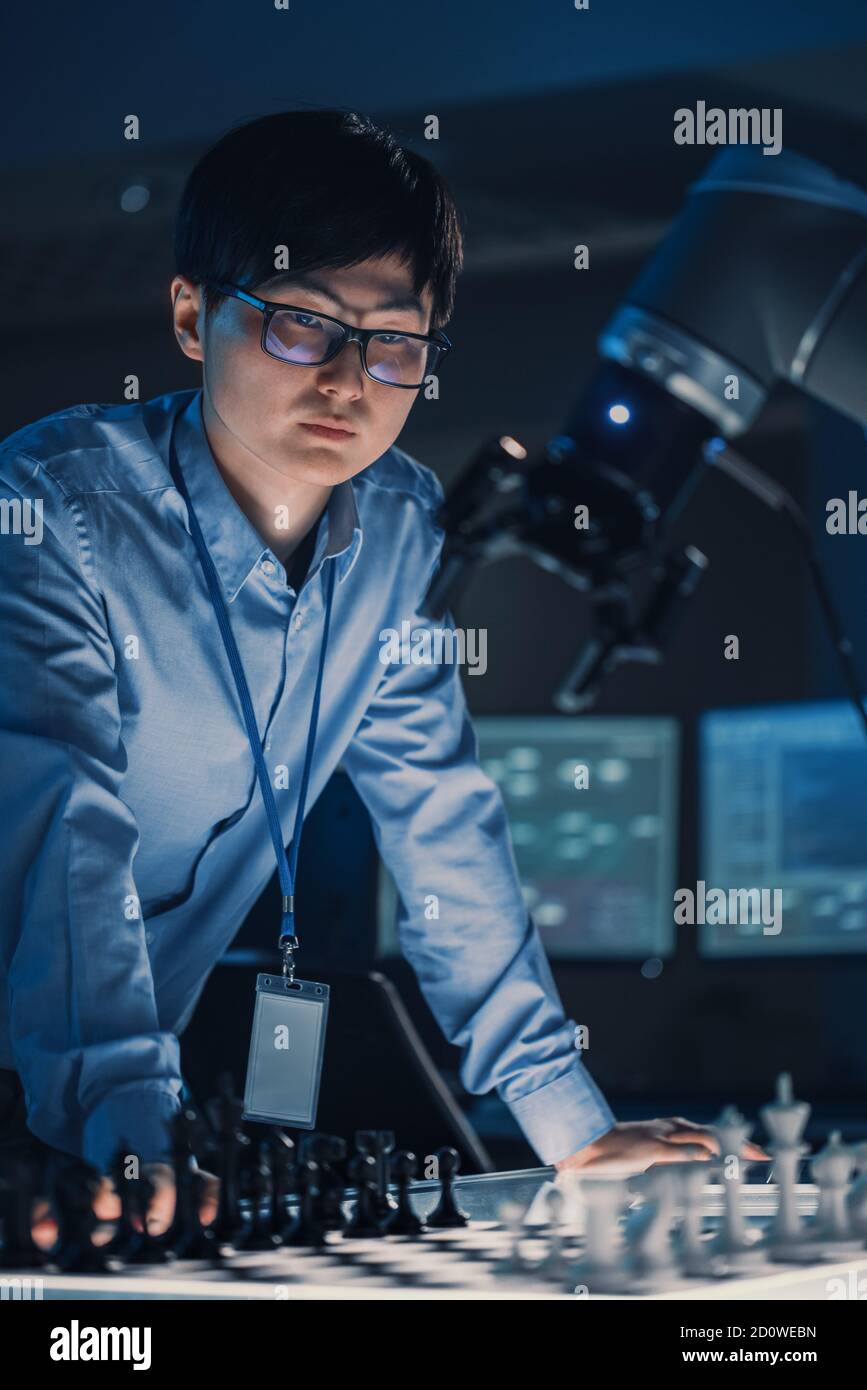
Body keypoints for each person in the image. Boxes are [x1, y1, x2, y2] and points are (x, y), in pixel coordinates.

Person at [0, 110, 761, 1236]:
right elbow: (70, 834)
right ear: (189, 316)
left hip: (105, 1099)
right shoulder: (54, 506)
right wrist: (136, 1121)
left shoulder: (404, 528)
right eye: (304, 323)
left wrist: (568, 1123)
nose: (349, 381)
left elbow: (443, 819)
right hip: (88, 1073)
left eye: (395, 343)